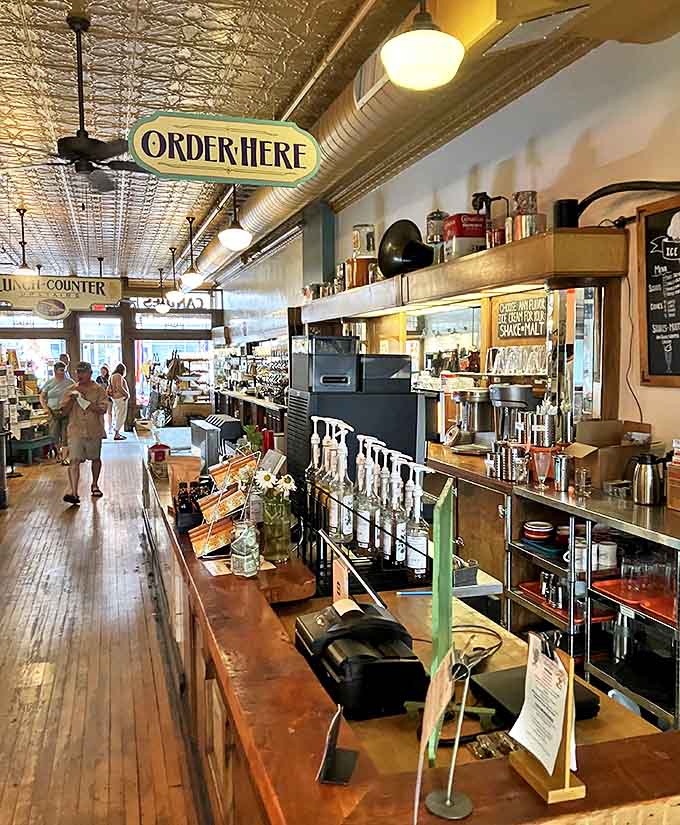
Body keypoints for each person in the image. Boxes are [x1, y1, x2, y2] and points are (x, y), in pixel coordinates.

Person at [60, 361, 108, 504]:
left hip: (94, 430)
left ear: (90, 373)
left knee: (95, 458)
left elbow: (103, 409)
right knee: (74, 460)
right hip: (75, 430)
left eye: (83, 372)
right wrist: (71, 401)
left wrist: (85, 402)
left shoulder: (99, 389)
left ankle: (95, 484)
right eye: (78, 372)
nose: (80, 375)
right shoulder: (70, 390)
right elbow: (63, 412)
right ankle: (74, 492)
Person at [39, 361, 75, 464]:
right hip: (52, 411)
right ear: (55, 371)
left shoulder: (70, 382)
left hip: (66, 411)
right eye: (61, 370)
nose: (63, 372)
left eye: (64, 370)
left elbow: (76, 395)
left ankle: (64, 457)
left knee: (65, 434)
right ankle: (58, 453)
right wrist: (45, 408)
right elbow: (41, 396)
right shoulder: (49, 382)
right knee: (54, 434)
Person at [109, 363, 130, 441]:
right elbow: (119, 387)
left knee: (117, 414)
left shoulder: (112, 376)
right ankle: (117, 433)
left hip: (115, 398)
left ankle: (117, 432)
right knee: (121, 415)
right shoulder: (118, 376)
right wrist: (127, 394)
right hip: (120, 398)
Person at [96, 364, 112, 434]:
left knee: (109, 413)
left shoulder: (109, 378)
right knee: (102, 414)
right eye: (102, 371)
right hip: (101, 398)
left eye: (104, 371)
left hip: (109, 397)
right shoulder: (98, 378)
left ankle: (110, 428)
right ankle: (103, 429)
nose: (103, 372)